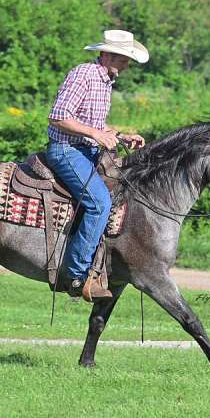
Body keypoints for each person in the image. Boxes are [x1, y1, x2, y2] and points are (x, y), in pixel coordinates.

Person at [46, 29, 148, 302]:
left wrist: (119, 135)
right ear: (107, 55)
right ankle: (77, 275)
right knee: (99, 203)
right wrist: (95, 135)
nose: (127, 65)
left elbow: (91, 123)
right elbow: (58, 117)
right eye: (124, 59)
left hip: (86, 150)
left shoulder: (105, 81)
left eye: (127, 59)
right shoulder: (84, 74)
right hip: (67, 150)